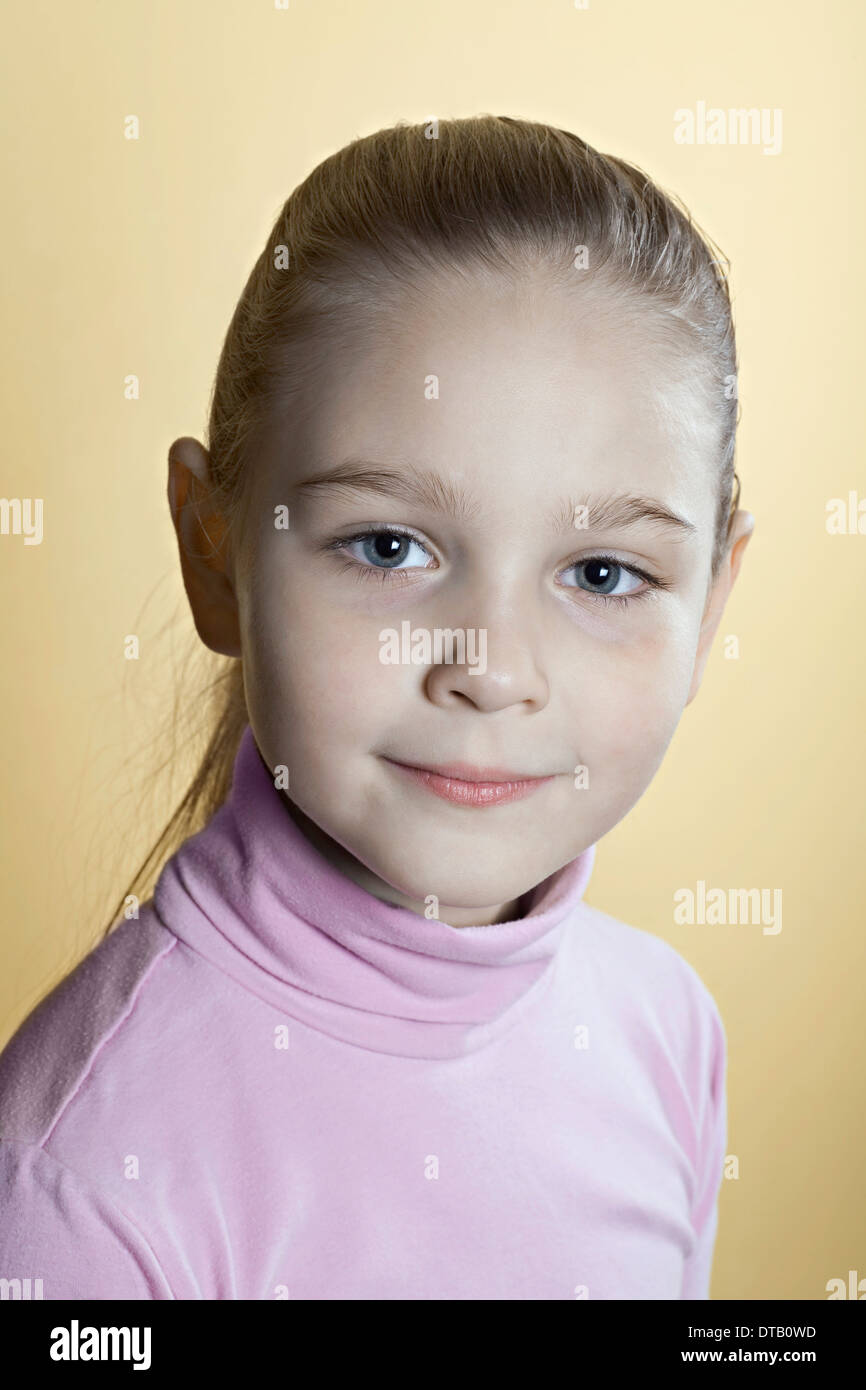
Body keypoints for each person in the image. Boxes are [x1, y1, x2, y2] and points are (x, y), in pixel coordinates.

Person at [0, 115, 753, 1299]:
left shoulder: (665, 1031)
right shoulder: (80, 1188)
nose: (489, 668)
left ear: (709, 606)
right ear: (214, 555)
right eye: (388, 546)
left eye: (602, 572)